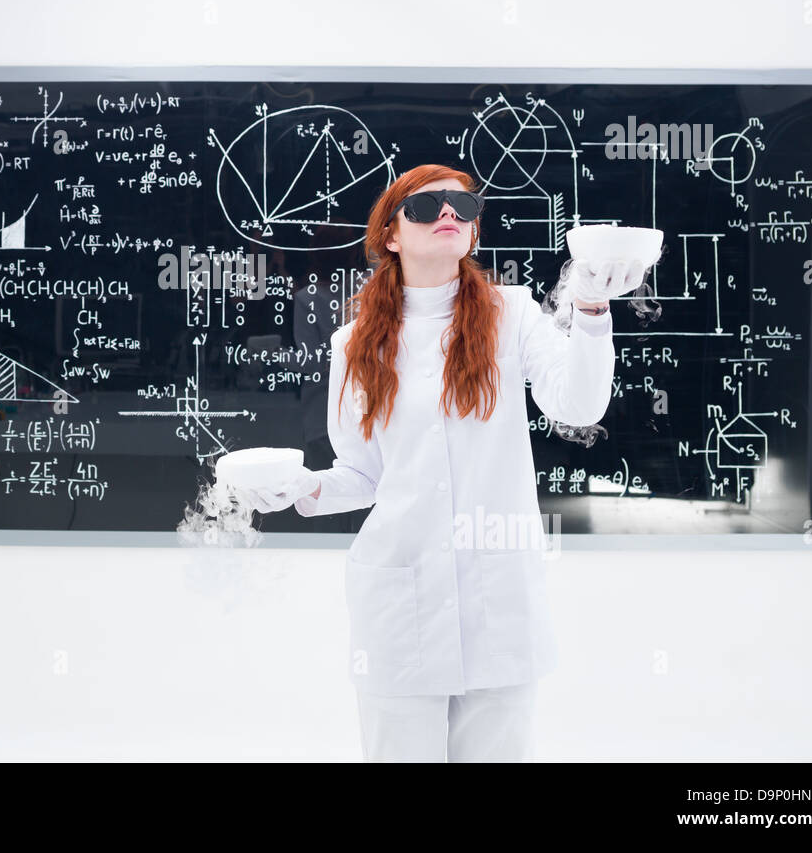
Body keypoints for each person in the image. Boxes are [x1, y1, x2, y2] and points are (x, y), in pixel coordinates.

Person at [241, 164, 645, 762]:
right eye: (428, 207)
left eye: (464, 206)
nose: (450, 214)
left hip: (497, 598)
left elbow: (579, 404)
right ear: (392, 236)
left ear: (475, 231)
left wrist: (590, 310)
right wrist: (302, 489)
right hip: (399, 601)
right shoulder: (353, 344)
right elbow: (363, 475)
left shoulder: (512, 314)